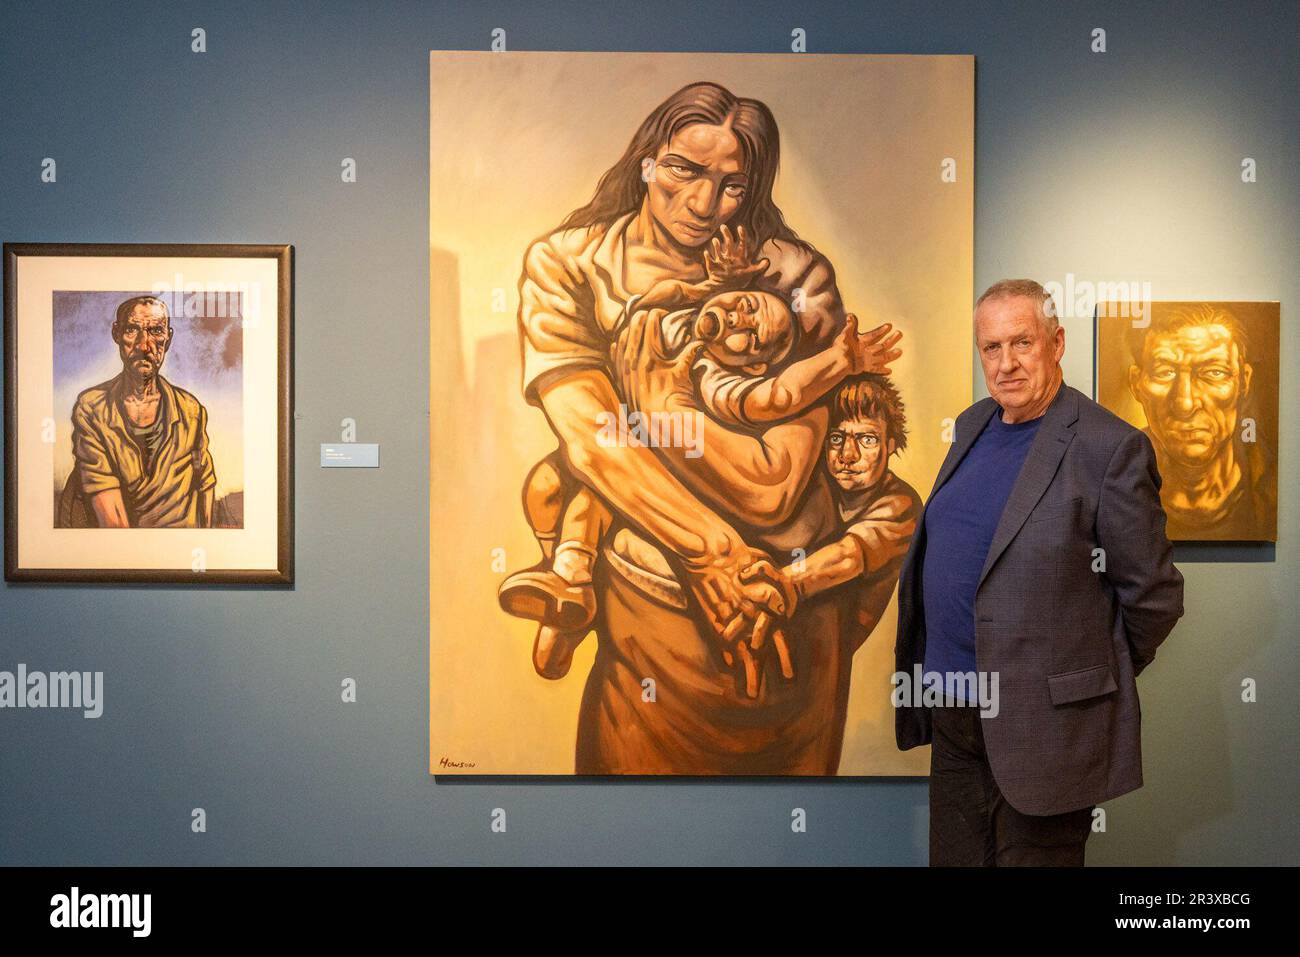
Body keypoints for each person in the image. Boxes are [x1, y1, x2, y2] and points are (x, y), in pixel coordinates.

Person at [517, 80, 892, 772]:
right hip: (650, 624)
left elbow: (774, 485)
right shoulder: (566, 264)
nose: (702, 204)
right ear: (647, 162)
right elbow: (592, 442)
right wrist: (711, 549)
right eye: (686, 170)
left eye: (730, 185)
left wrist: (654, 408)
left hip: (788, 622)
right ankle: (568, 581)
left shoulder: (797, 274)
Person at [500, 253, 900, 679]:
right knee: (556, 487)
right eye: (746, 307)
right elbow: (647, 304)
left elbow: (779, 396)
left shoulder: (717, 379)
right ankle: (568, 577)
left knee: (602, 490)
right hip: (620, 441)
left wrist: (841, 362)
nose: (737, 324)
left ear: (755, 366)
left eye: (751, 341)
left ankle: (574, 583)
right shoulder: (687, 306)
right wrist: (713, 284)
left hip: (652, 457)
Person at [894, 279, 1185, 865]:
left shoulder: (1109, 446)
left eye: (1021, 343)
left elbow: (1154, 597)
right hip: (956, 712)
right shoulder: (974, 424)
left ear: (1056, 342)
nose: (1005, 365)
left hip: (1043, 726)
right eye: (991, 348)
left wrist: (1086, 672)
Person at [64, 295, 217, 529]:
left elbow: (205, 488)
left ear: (168, 338)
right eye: (132, 330)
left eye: (156, 331)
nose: (144, 345)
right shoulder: (92, 409)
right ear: (116, 334)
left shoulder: (191, 411)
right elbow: (112, 518)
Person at [1127, 303, 1274, 540]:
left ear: (1244, 383)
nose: (1185, 404)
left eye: (1214, 372)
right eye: (1165, 372)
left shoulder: (1273, 485)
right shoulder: (1114, 482)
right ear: (1136, 385)